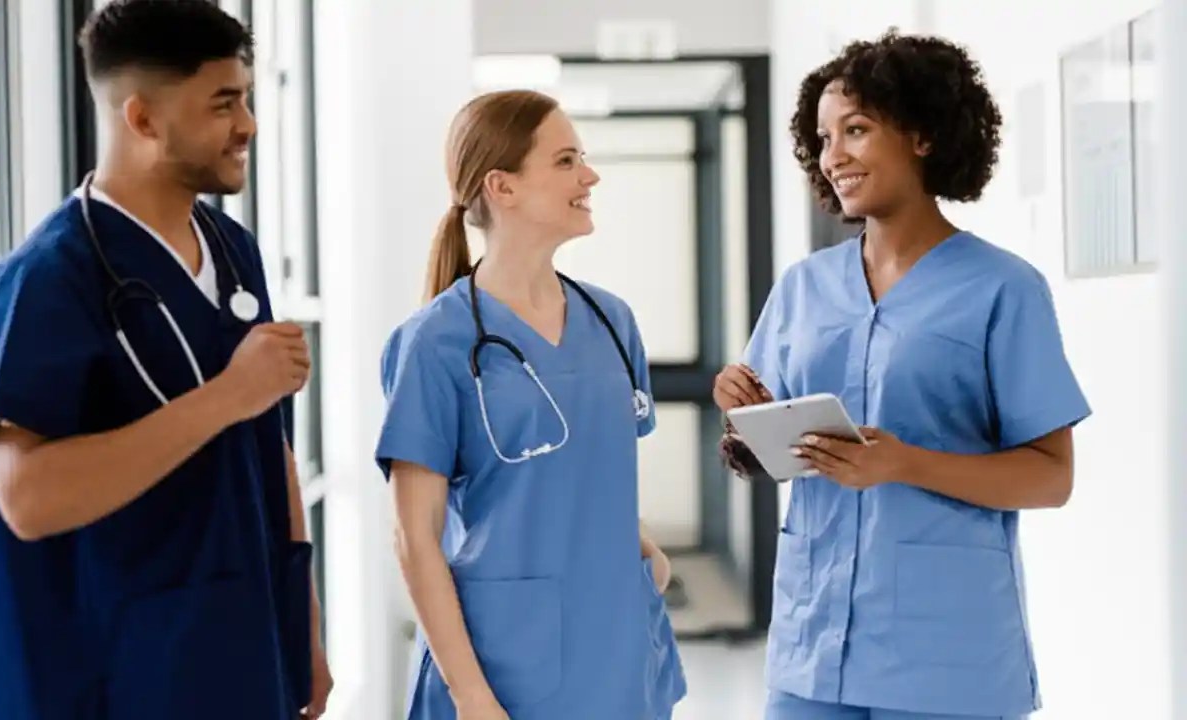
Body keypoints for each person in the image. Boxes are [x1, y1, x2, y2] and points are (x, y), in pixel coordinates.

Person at [0, 1, 332, 718]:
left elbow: (272, 450)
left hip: (242, 657)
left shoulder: (233, 252)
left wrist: (304, 629)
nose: (249, 125)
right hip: (122, 676)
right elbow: (26, 496)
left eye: (248, 99)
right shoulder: (51, 278)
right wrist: (229, 395)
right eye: (224, 104)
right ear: (141, 120)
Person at [715, 30, 1091, 720]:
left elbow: (1051, 476)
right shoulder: (803, 287)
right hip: (811, 645)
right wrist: (741, 416)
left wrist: (903, 464)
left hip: (944, 653)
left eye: (855, 130)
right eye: (824, 138)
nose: (834, 156)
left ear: (922, 134)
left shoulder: (1002, 289)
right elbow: (760, 457)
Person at [374, 89, 687, 720]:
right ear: (502, 186)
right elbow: (415, 538)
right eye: (566, 160)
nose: (589, 175)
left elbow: (586, 470)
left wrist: (641, 543)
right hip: (502, 664)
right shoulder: (437, 341)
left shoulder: (610, 319)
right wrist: (471, 697)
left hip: (619, 650)